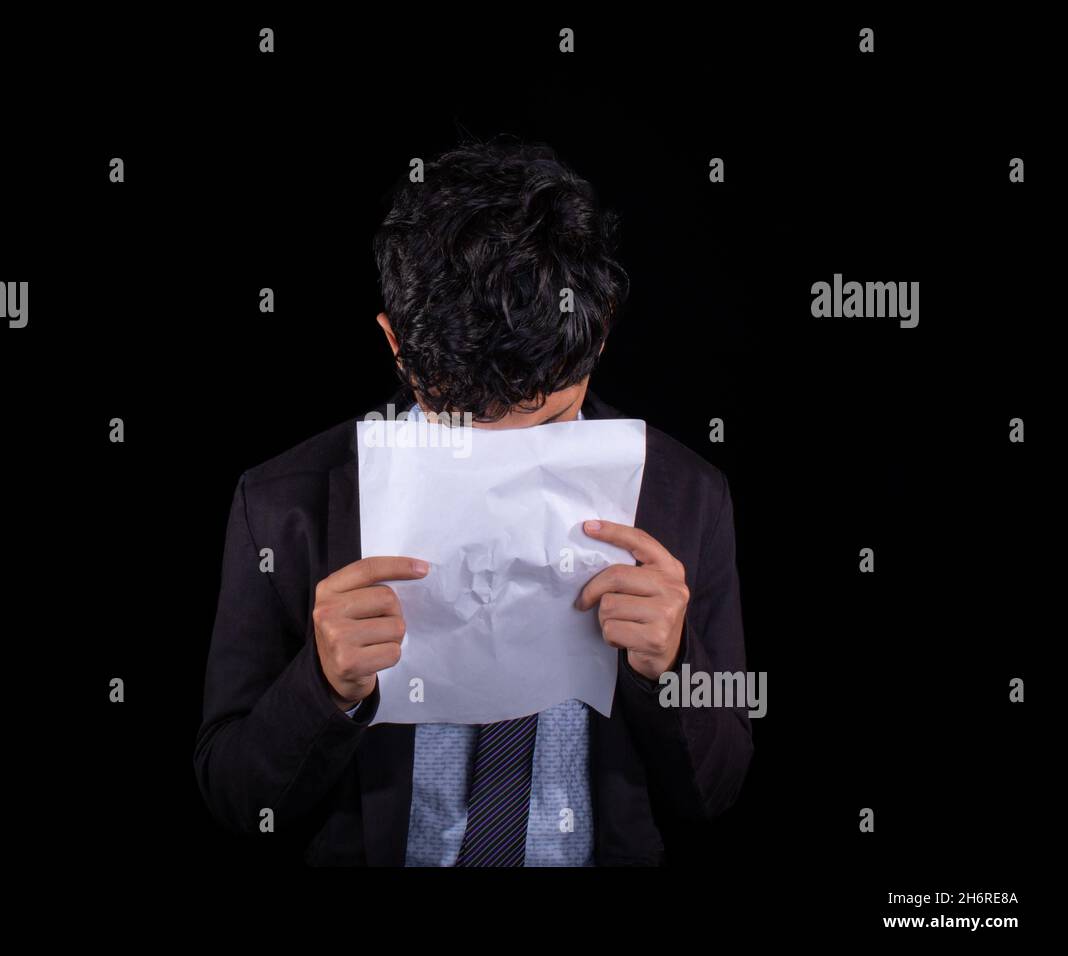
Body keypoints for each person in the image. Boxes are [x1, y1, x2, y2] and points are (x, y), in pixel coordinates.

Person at [195, 138, 752, 865]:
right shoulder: (283, 506)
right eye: (466, 430)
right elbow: (238, 799)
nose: (507, 463)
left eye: (548, 426)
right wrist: (323, 689)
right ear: (396, 344)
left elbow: (717, 791)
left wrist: (673, 667)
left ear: (602, 330)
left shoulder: (686, 496)